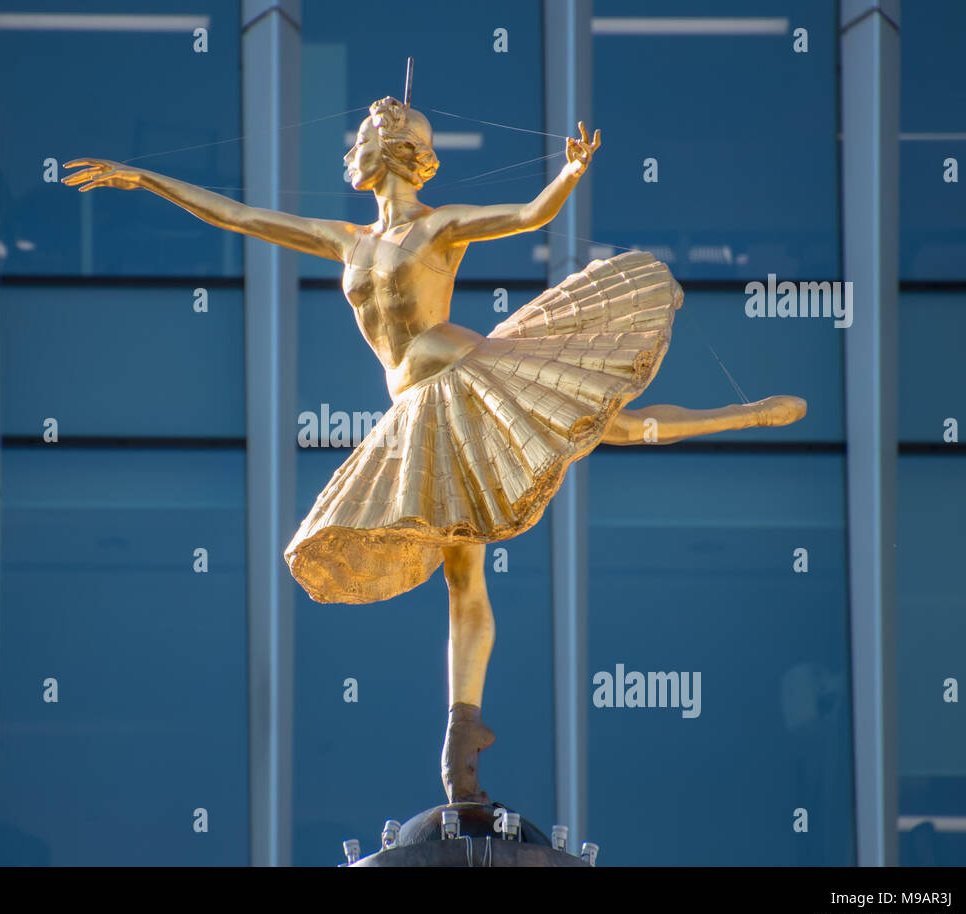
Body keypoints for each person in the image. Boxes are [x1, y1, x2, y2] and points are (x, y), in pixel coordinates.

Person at [64, 94, 806, 804]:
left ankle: (744, 415)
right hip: (419, 407)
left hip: (459, 369)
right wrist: (145, 179)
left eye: (359, 141)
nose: (349, 154)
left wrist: (570, 173)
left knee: (603, 424)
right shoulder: (346, 238)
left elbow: (528, 216)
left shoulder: (437, 227)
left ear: (391, 150)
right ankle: (462, 727)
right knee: (463, 572)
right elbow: (241, 217)